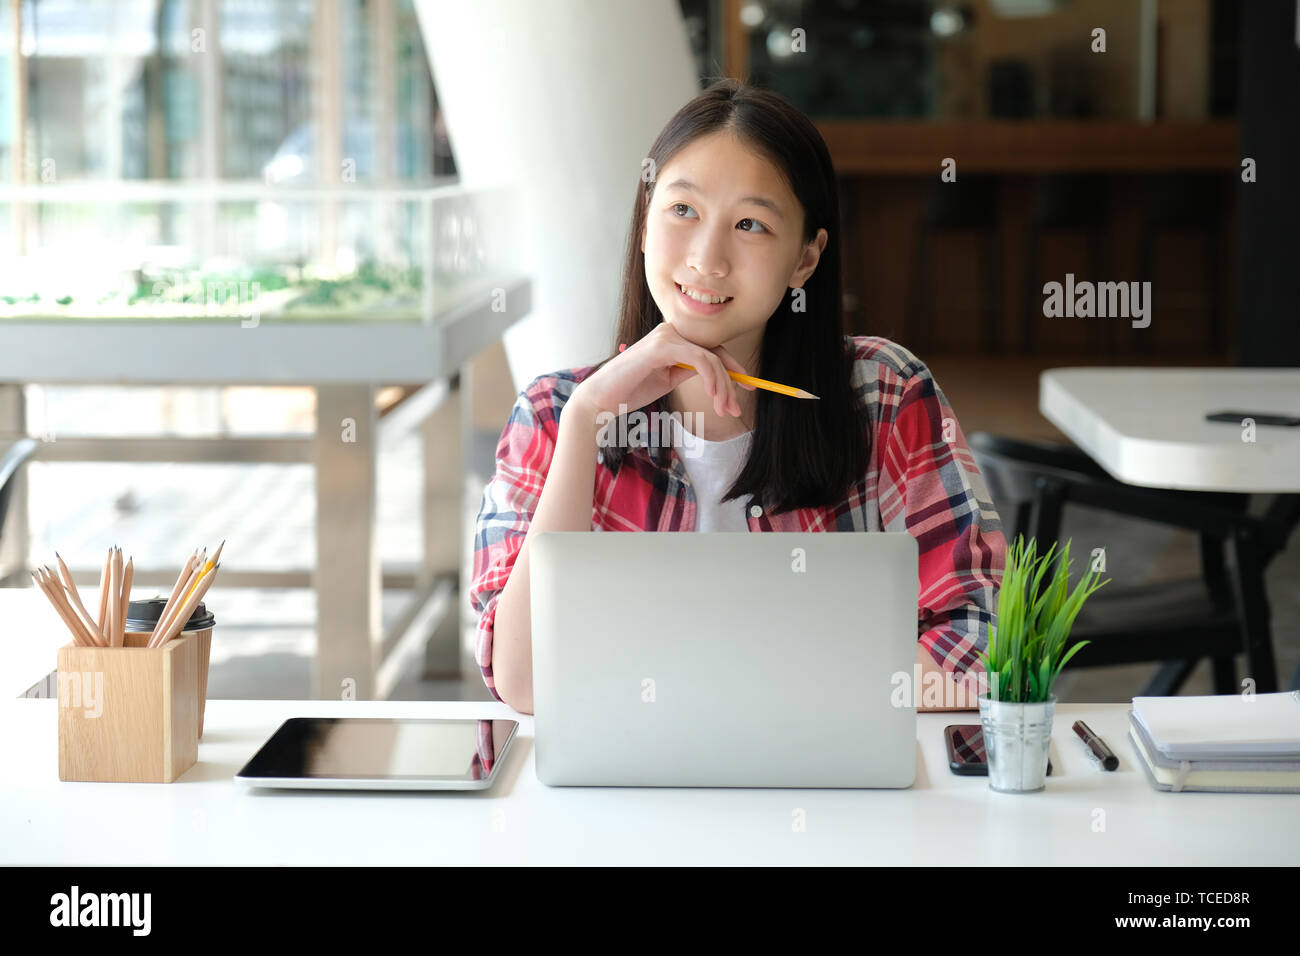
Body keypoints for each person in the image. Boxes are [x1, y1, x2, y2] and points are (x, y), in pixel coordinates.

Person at [470, 79, 1006, 715]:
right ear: (644, 225)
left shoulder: (886, 395)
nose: (707, 259)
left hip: (830, 795)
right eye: (683, 211)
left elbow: (981, 647)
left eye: (750, 224)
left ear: (805, 259)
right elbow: (524, 683)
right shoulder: (552, 413)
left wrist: (748, 701)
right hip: (629, 803)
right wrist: (586, 421)